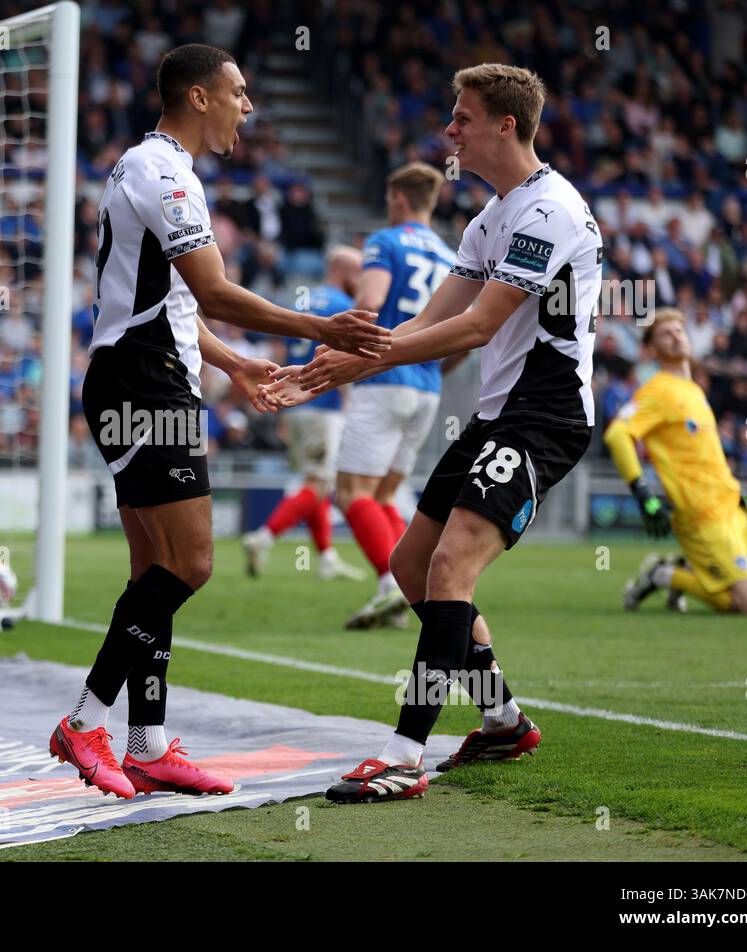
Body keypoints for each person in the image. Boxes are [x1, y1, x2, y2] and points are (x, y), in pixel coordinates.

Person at [50, 43, 387, 799]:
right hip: (146, 385)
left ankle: (149, 742)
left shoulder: (158, 169)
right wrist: (318, 329)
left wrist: (234, 364)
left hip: (138, 374)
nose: (248, 106)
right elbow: (215, 288)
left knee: (152, 572)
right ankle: (84, 722)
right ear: (198, 97)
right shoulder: (162, 170)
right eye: (238, 91)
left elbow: (174, 304)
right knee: (190, 566)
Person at [267, 64, 601, 802]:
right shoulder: (491, 218)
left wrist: (358, 360)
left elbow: (478, 326)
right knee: (411, 566)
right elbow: (420, 324)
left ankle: (403, 755)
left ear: (504, 125)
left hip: (543, 416)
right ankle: (504, 719)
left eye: (462, 117)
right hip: (495, 415)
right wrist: (337, 367)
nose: (450, 130)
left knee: (450, 571)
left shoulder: (550, 211)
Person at [338, 161, 468, 630]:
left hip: (383, 379)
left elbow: (369, 306)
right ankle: (410, 586)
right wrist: (433, 366)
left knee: (353, 492)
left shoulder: (384, 242)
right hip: (427, 386)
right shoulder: (451, 255)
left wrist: (339, 356)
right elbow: (461, 334)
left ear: (397, 199)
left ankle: (390, 584)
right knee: (387, 493)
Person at [604, 309, 747, 614]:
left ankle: (687, 566)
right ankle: (663, 574)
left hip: (733, 509)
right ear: (651, 349)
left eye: (679, 330)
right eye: (665, 333)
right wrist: (641, 492)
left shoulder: (695, 389)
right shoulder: (657, 390)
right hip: (701, 516)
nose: (676, 336)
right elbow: (617, 434)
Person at [241, 245, 366, 582]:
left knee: (317, 482)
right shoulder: (343, 307)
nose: (361, 280)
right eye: (357, 273)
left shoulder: (302, 302)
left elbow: (283, 350)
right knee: (318, 483)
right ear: (342, 271)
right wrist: (349, 400)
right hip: (321, 405)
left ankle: (326, 557)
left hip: (294, 401)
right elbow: (340, 358)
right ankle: (264, 536)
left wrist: (280, 402)